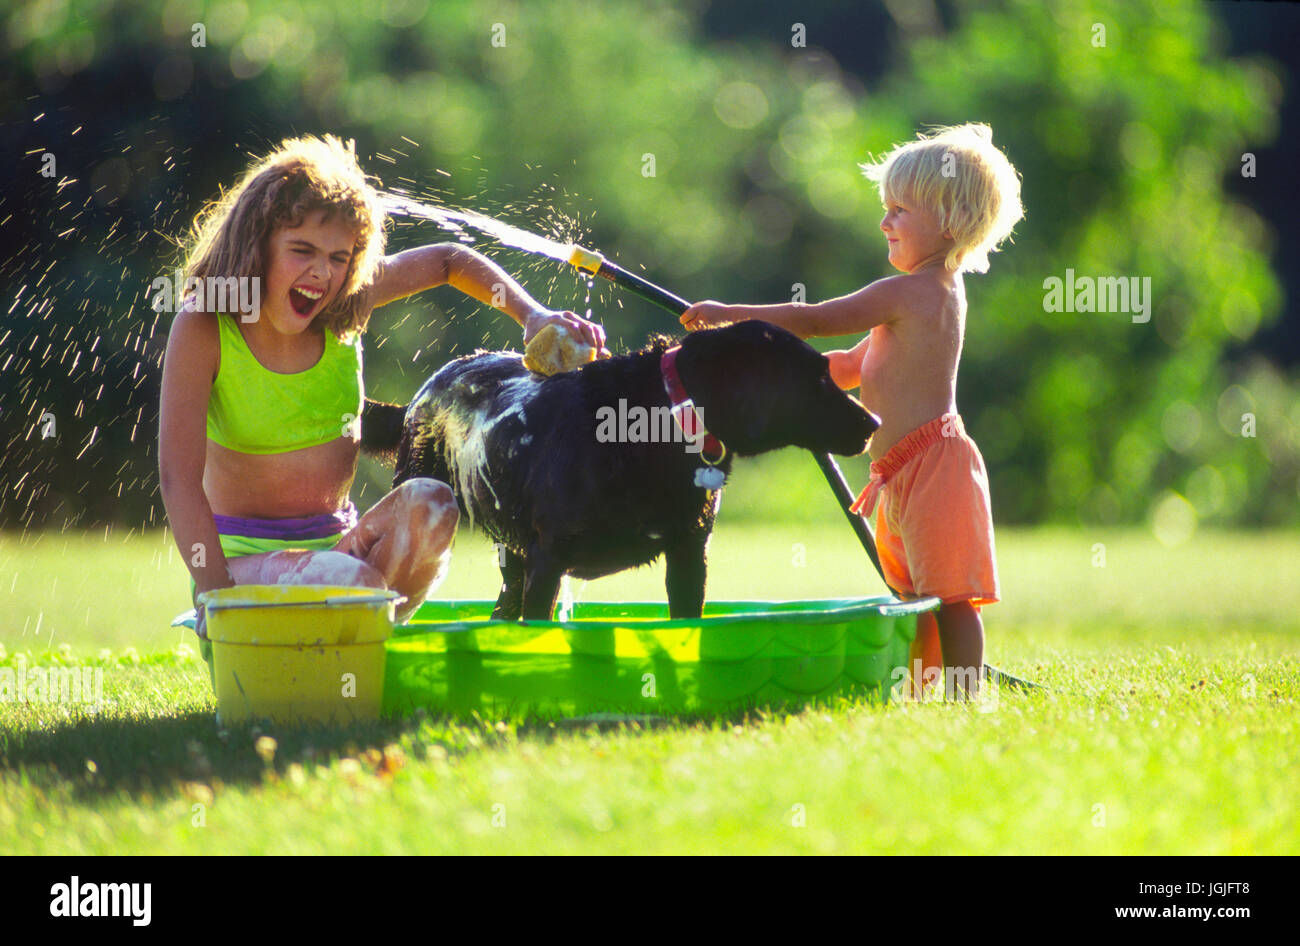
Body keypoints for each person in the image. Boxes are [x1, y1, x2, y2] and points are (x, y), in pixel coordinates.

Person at [158, 134, 607, 648]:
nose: (321, 272)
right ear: (255, 246)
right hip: (241, 569)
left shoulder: (342, 306)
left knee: (433, 505)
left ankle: (353, 646)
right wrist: (219, 601)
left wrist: (534, 316)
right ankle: (353, 643)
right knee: (354, 587)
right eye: (301, 250)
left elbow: (448, 261)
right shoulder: (206, 324)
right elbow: (177, 478)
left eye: (339, 257)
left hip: (335, 553)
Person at [679, 123, 1023, 698]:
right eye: (885, 208)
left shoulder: (917, 292)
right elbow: (843, 364)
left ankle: (965, 700)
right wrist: (768, 375)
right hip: (898, 473)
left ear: (950, 219)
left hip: (934, 467)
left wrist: (729, 316)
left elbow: (815, 319)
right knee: (915, 599)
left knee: (953, 599)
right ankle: (922, 692)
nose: (885, 222)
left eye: (899, 210)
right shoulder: (916, 302)